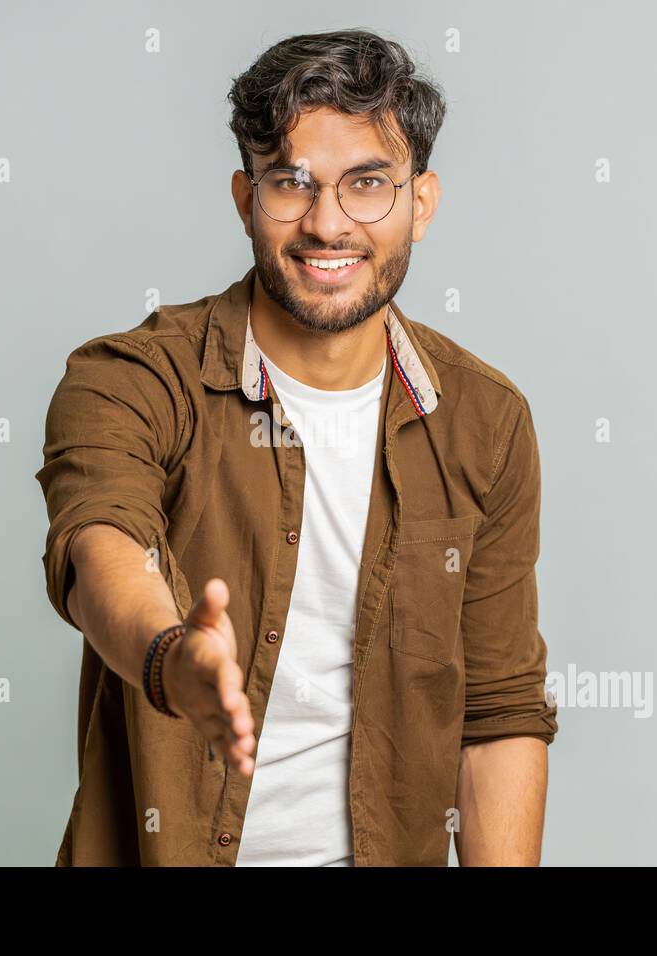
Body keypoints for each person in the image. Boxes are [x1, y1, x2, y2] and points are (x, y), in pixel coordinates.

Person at [36, 28, 557, 867]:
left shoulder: (484, 421)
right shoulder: (130, 379)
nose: (327, 224)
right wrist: (172, 657)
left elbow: (497, 715)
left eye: (367, 186)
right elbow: (100, 545)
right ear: (246, 197)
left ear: (420, 203)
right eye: (292, 183)